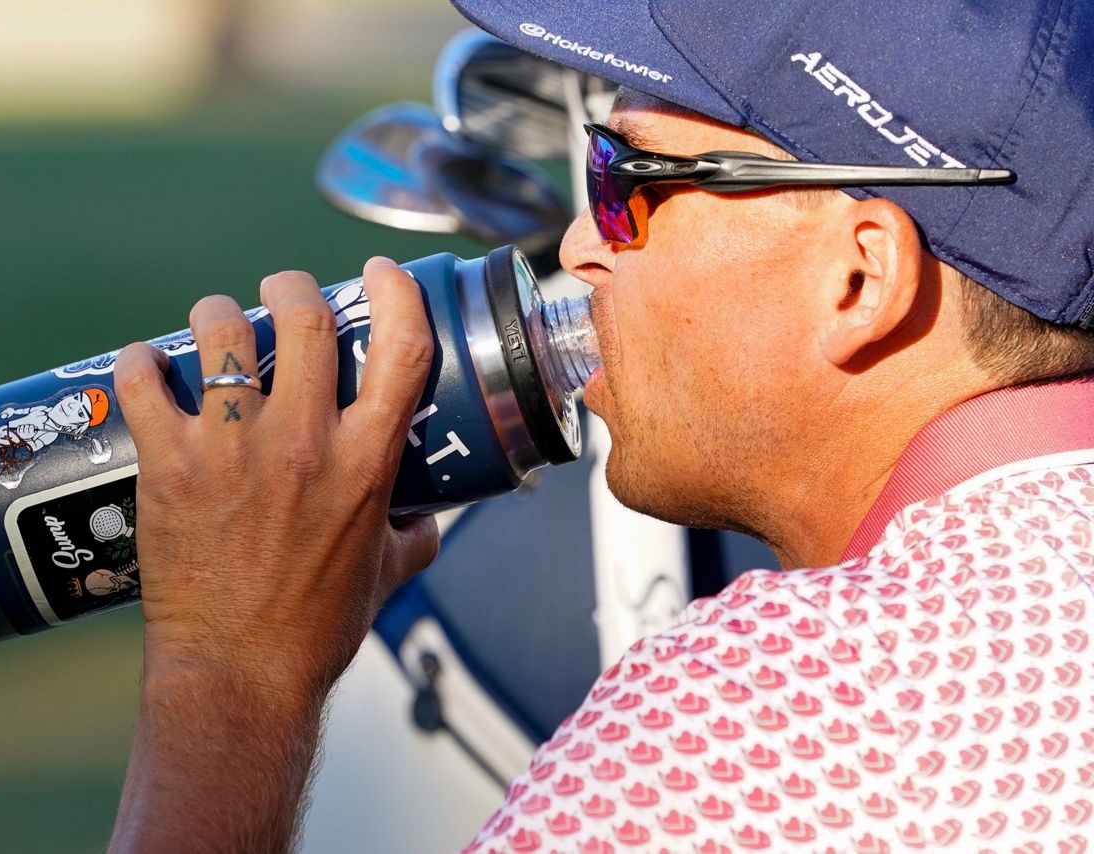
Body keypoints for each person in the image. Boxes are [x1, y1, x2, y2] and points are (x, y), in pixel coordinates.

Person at [105, 0, 1094, 850]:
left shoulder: (763, 714)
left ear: (859, 279)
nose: (579, 244)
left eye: (626, 182)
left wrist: (228, 671)